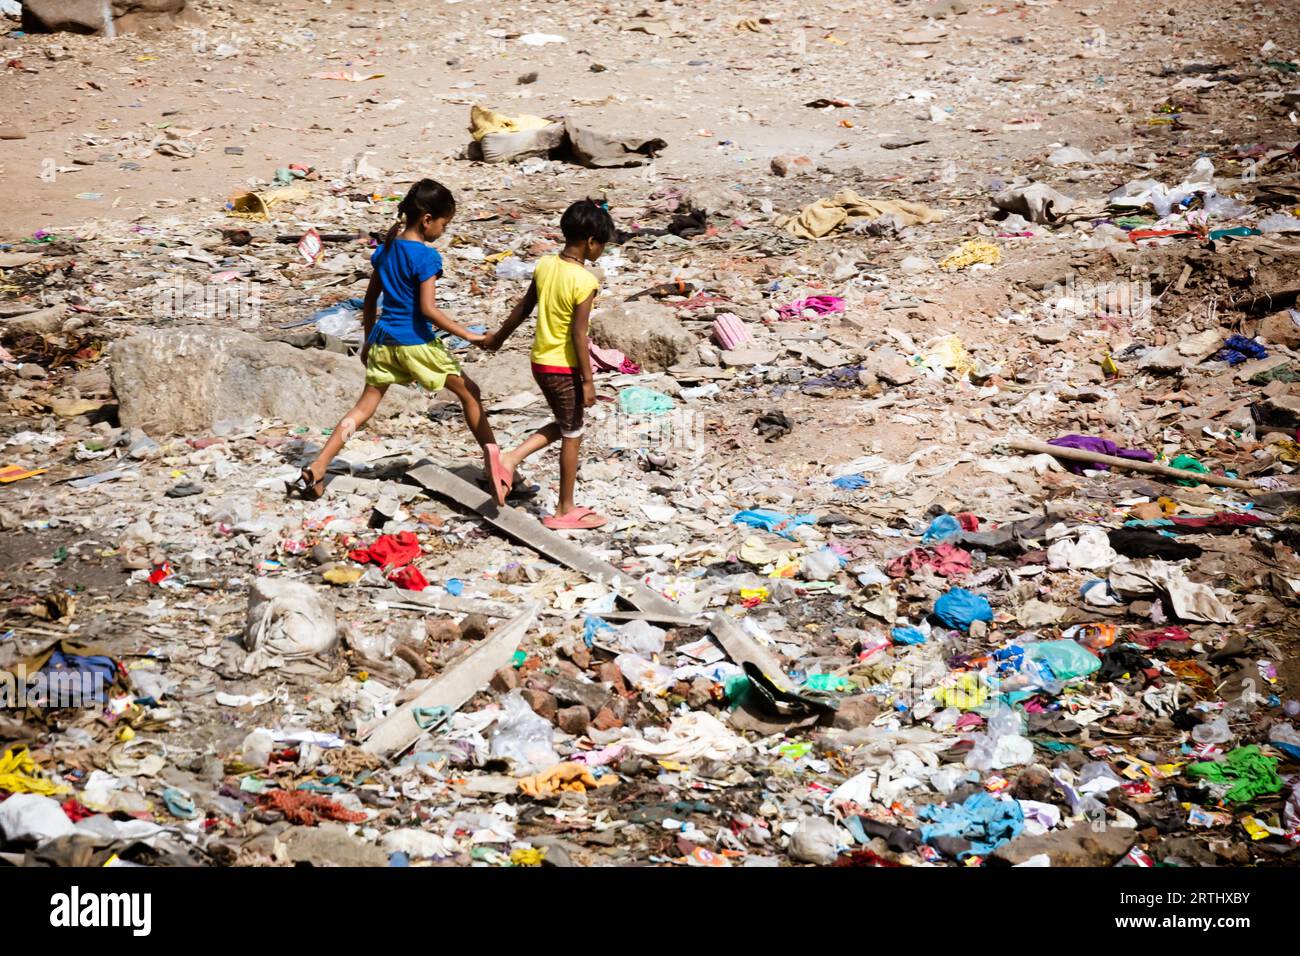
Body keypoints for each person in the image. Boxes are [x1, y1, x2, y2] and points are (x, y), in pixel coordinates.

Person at [290, 178, 506, 499]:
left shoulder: (386, 250)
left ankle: (319, 465)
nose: (443, 232)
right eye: (444, 225)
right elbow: (428, 310)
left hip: (382, 342)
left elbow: (368, 301)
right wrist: (471, 336)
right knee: (470, 394)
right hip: (416, 343)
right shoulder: (426, 258)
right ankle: (497, 472)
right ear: (427, 219)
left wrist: (366, 342)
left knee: (362, 409)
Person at [485, 199, 614, 529]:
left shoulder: (545, 265)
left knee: (567, 421)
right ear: (590, 241)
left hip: (540, 361)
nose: (601, 251)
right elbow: (578, 334)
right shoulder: (585, 281)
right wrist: (588, 381)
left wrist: (499, 337)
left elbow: (523, 308)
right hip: (563, 366)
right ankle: (563, 510)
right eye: (602, 244)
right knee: (573, 434)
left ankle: (510, 459)